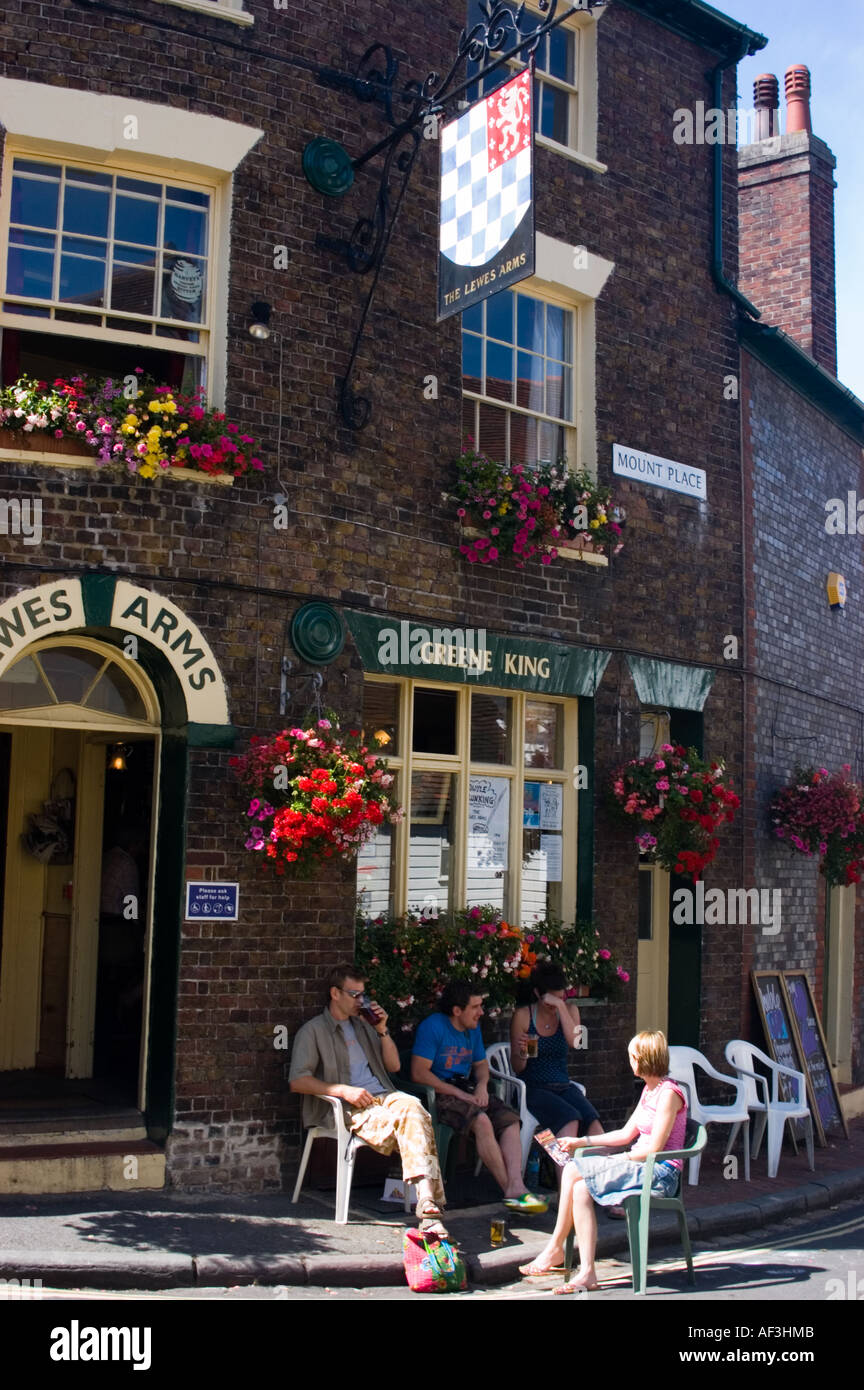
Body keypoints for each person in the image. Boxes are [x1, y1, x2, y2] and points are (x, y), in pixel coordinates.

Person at [518, 1029, 688, 1290]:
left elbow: (654, 1148)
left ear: (644, 1058)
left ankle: (555, 1249)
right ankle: (587, 1272)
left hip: (660, 1172)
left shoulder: (669, 1094)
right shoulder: (649, 1090)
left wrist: (617, 1160)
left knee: (574, 1170)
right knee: (580, 1187)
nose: (630, 1061)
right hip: (640, 1164)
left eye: (632, 1056)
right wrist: (581, 1142)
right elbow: (624, 1134)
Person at [289, 964, 448, 1234]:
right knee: (415, 1122)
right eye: (354, 995)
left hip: (383, 1095)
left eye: (362, 995)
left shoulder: (363, 1027)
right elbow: (298, 1081)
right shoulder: (313, 1031)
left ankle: (426, 1198)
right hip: (349, 1107)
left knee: (415, 1108)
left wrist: (383, 1030)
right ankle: (429, 1200)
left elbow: (394, 1066)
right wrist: (342, 1090)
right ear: (335, 994)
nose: (360, 1002)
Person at [411, 982, 548, 1214]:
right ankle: (512, 1192)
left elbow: (481, 1065)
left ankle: (517, 1184)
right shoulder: (433, 1027)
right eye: (475, 1007)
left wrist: (482, 1086)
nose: (481, 1012)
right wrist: (458, 1093)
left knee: (510, 1119)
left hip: (469, 1088)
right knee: (482, 1121)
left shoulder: (472, 1029)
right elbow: (418, 1072)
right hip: (442, 1094)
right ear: (457, 1010)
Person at [510, 961, 604, 1145]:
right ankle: (562, 1171)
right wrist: (524, 1054)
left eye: (560, 998)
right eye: (550, 1001)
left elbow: (577, 1043)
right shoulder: (523, 1015)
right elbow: (518, 1068)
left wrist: (561, 1007)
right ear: (538, 993)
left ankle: (594, 1171)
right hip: (534, 1088)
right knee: (569, 1120)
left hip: (562, 1085)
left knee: (593, 1123)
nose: (554, 1005)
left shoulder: (569, 1010)